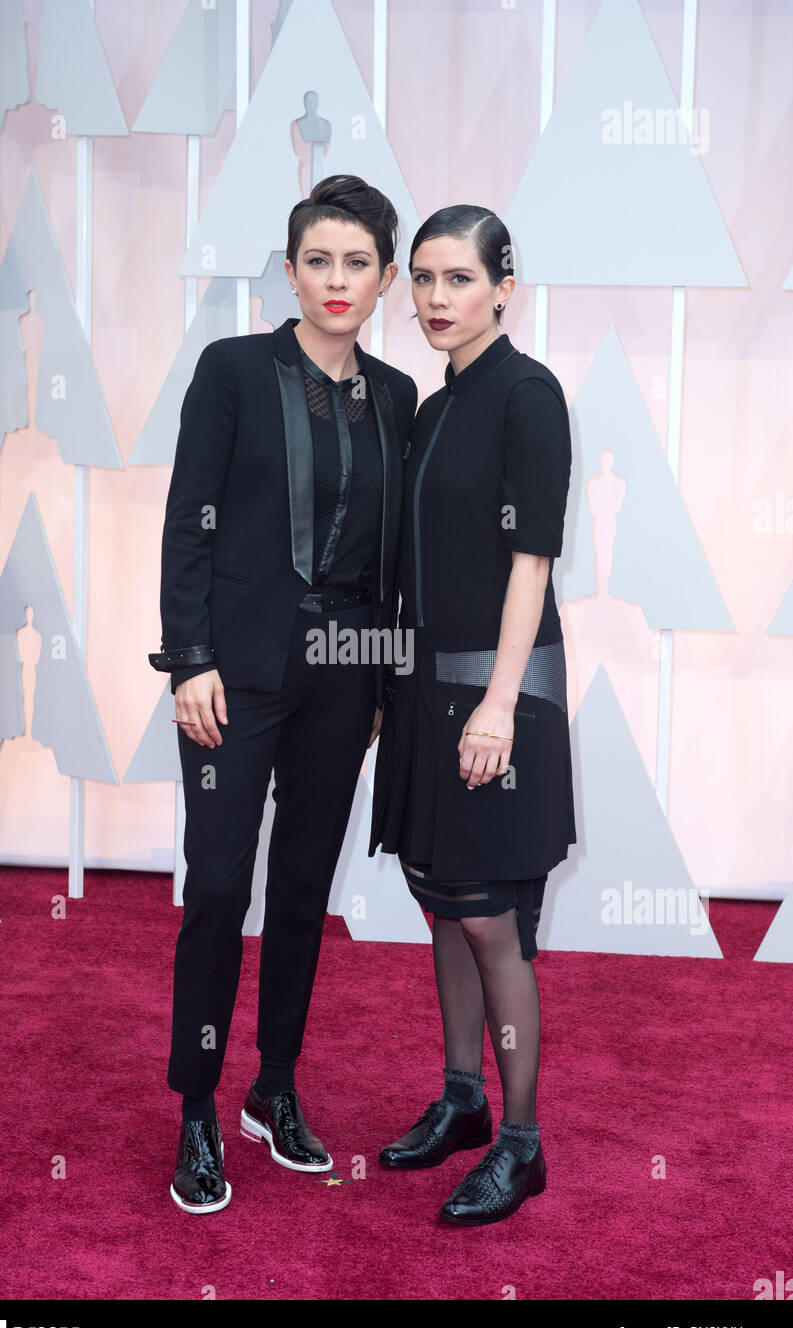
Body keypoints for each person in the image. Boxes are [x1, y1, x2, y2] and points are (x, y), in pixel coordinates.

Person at [149, 175, 417, 1213]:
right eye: (319, 260)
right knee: (218, 884)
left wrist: (386, 678)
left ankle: (274, 1087)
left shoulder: (393, 397)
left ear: (384, 277)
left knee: (304, 887)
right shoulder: (231, 371)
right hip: (234, 677)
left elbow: (393, 558)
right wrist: (190, 659)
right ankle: (198, 1108)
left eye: (357, 263)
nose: (337, 281)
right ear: (292, 268)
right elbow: (188, 523)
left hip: (344, 681)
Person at [369, 205, 576, 1226]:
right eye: (423, 280)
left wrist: (495, 705)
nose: (436, 301)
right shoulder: (432, 404)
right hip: (423, 690)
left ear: (505, 284)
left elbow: (529, 562)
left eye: (458, 279)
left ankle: (523, 1142)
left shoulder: (526, 396)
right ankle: (461, 1098)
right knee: (441, 897)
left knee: (492, 920)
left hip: (498, 695)